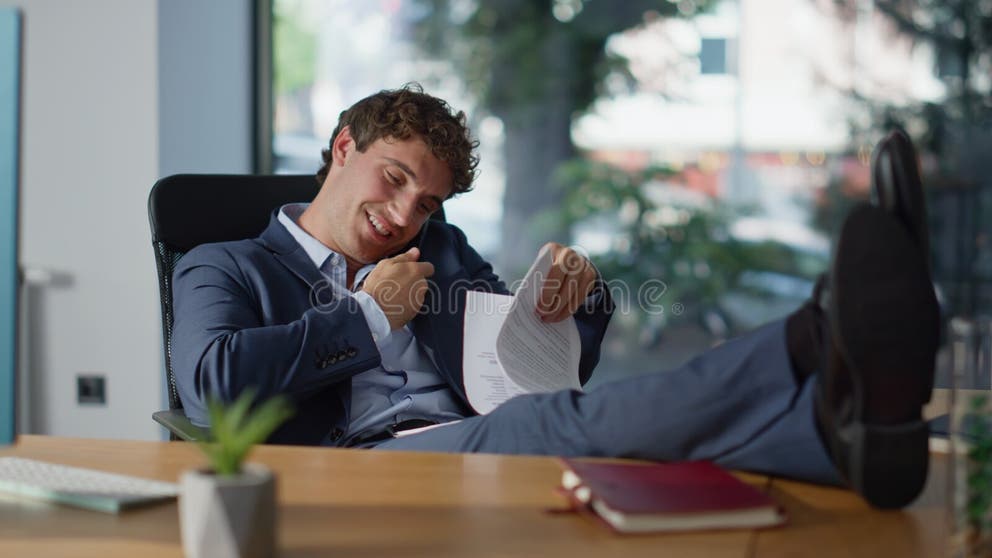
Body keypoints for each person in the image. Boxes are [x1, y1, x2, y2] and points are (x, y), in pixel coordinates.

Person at [171, 84, 939, 509]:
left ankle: (844, 443)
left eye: (429, 202)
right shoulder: (222, 266)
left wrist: (573, 302)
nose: (408, 215)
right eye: (396, 178)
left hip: (489, 431)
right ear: (344, 148)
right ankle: (818, 335)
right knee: (553, 425)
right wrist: (369, 316)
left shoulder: (434, 249)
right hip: (362, 468)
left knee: (609, 437)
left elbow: (523, 358)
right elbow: (210, 393)